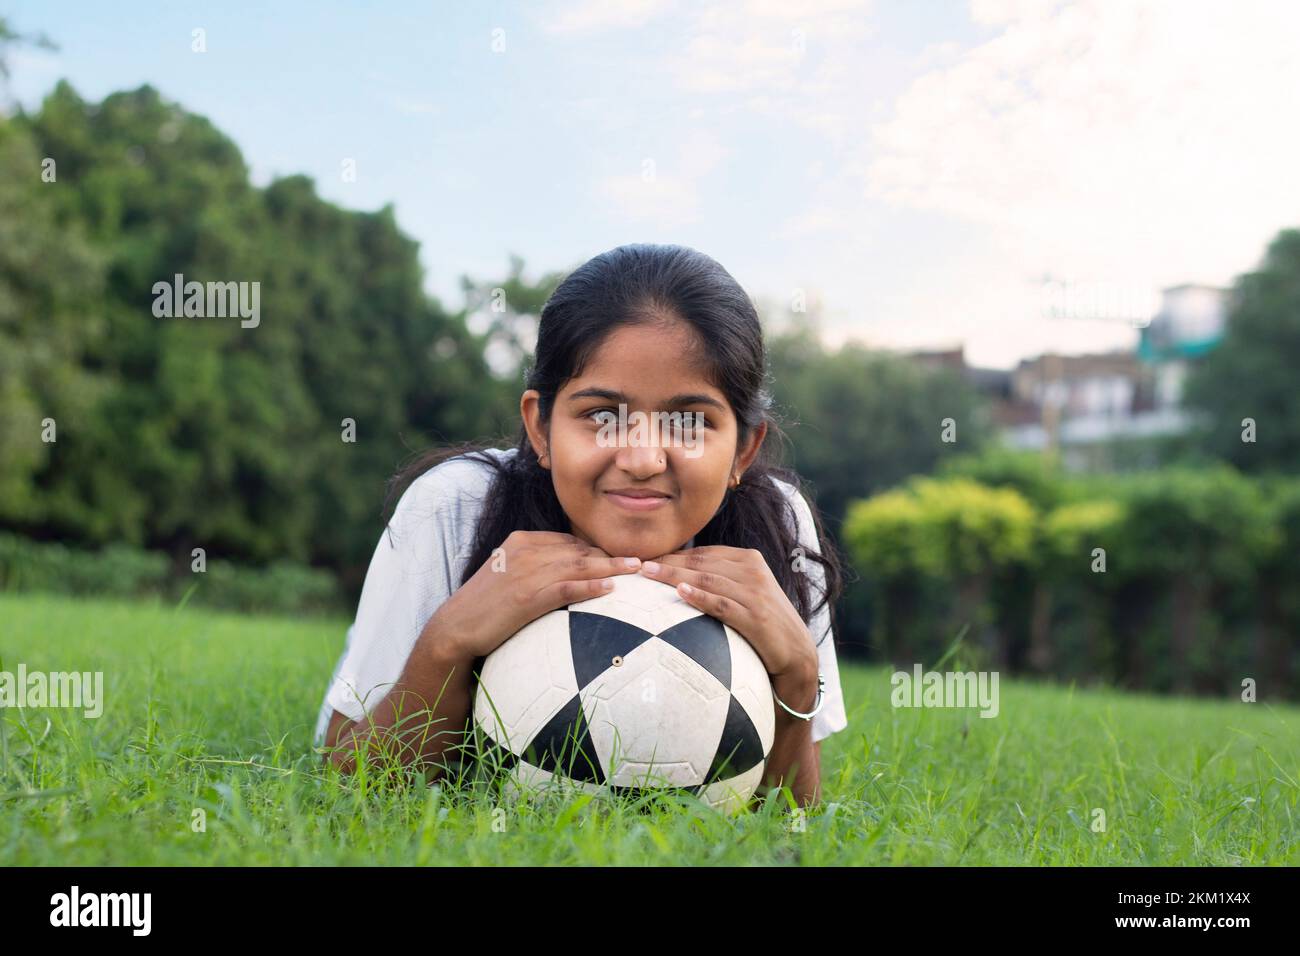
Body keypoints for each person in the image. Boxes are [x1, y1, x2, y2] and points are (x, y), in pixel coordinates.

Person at [315, 243, 849, 806]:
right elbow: (351, 793)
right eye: (601, 415)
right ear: (541, 428)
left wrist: (795, 678)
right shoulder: (456, 504)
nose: (643, 460)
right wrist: (447, 644)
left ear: (744, 449)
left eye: (689, 421)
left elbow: (790, 825)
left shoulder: (777, 523)